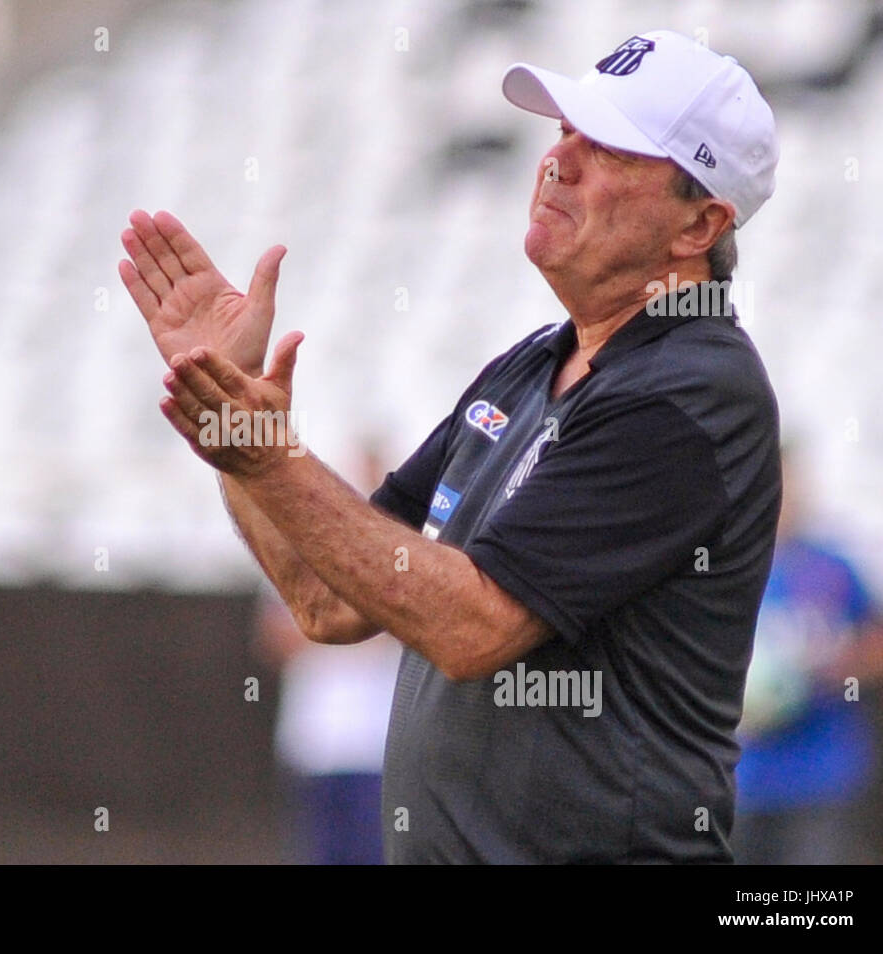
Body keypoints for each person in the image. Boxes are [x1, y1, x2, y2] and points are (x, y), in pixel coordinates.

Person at [119, 29, 781, 863]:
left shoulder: (689, 391)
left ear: (701, 224)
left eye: (609, 148)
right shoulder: (531, 365)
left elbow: (469, 626)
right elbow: (328, 600)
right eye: (565, 132)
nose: (558, 161)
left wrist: (270, 454)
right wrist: (231, 415)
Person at [732, 448, 883, 864]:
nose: (784, 497)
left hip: (821, 777)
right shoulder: (724, 571)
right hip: (739, 781)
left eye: (792, 486)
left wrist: (839, 667)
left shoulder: (834, 567)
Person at [252, 445, 402, 865]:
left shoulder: (403, 555)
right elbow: (275, 637)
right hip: (316, 739)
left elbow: (407, 632)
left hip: (376, 744)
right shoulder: (301, 549)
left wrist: (327, 630)